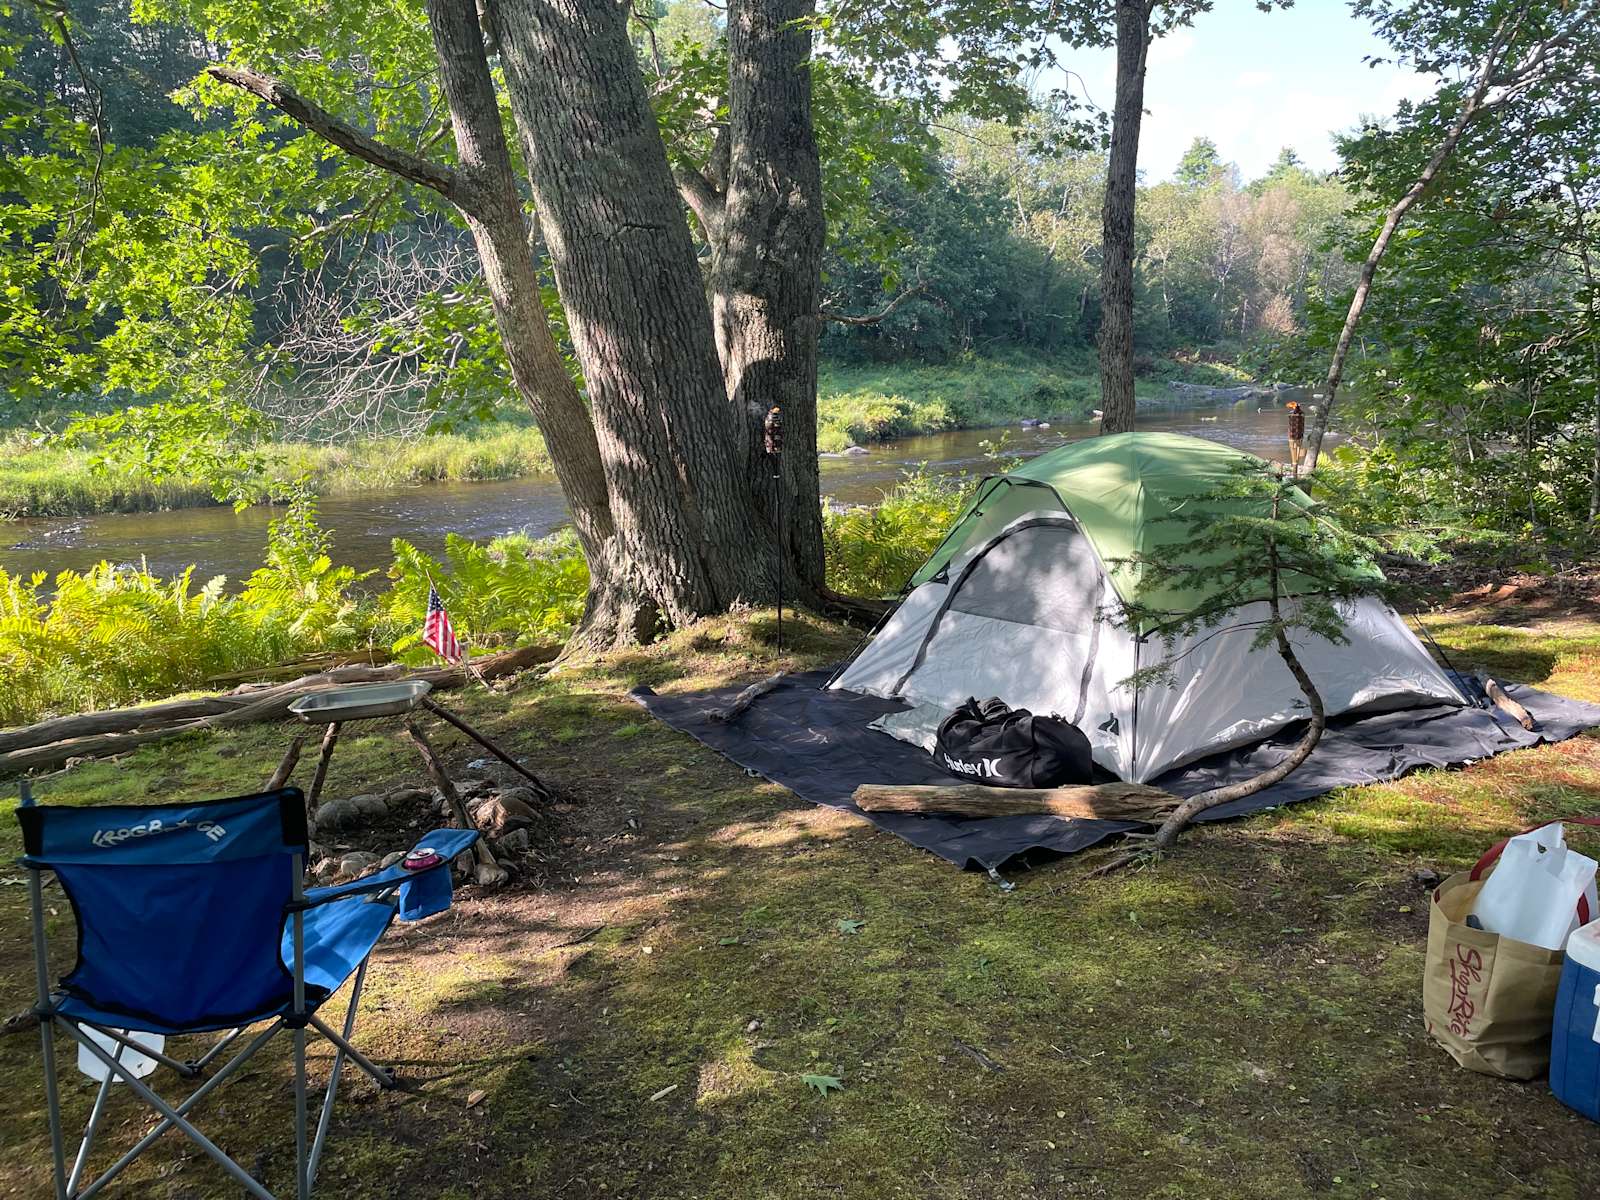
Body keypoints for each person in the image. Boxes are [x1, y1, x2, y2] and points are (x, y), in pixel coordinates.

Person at [1285, 399, 1306, 476]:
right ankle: (1294, 472)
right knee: (1295, 453)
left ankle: (1295, 472)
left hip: (1298, 436)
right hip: (1293, 436)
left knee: (1297, 452)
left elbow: (1301, 415)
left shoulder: (1300, 415)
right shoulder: (1292, 414)